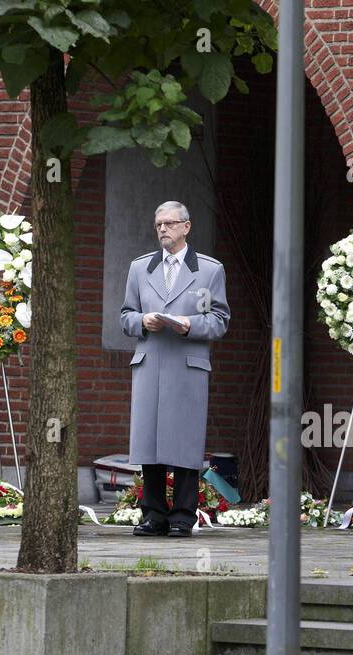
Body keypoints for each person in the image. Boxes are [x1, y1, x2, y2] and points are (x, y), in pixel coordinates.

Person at [120, 201, 230, 538]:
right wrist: (142, 320)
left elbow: (219, 320)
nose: (163, 230)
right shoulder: (140, 268)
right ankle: (153, 515)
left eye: (170, 223)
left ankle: (183, 516)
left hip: (187, 364)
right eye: (159, 225)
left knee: (184, 442)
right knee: (149, 443)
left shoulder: (209, 271)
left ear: (186, 226)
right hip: (151, 361)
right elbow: (125, 316)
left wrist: (188, 325)